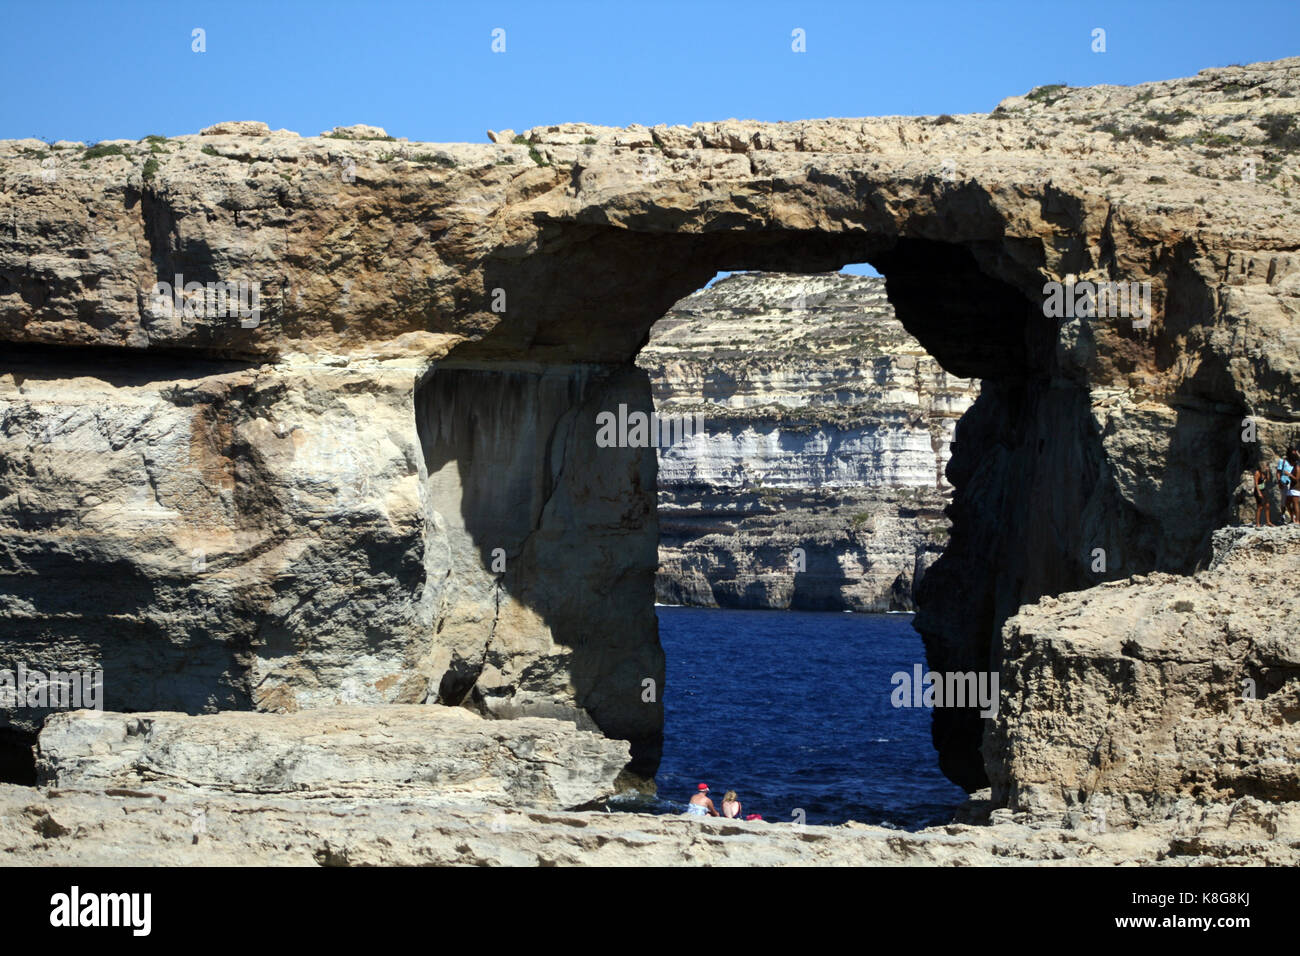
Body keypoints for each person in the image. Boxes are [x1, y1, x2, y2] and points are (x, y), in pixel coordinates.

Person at [1255, 460, 1275, 526]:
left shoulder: (1264, 473)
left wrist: (1268, 471)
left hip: (1264, 489)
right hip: (1258, 490)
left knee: (1267, 505)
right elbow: (1256, 483)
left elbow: (1268, 479)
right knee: (1260, 507)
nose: (1265, 467)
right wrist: (1259, 493)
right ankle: (1257, 523)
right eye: (1265, 466)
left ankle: (1268, 521)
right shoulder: (1257, 473)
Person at [1277, 452, 1294, 522]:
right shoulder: (1282, 461)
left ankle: (1293, 518)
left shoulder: (1295, 462)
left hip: (1294, 483)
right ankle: (1283, 516)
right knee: (1284, 500)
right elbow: (1278, 472)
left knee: (1293, 500)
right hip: (1284, 482)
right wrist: (1279, 482)